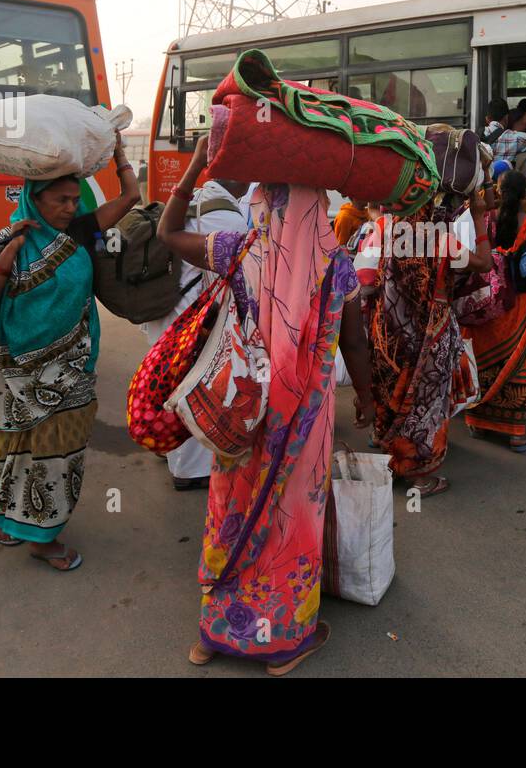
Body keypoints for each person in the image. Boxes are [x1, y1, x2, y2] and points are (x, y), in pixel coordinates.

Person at [158, 136, 375, 675]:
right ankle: (281, 641)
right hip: (305, 417)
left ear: (263, 200)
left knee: (232, 504)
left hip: (243, 407)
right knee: (291, 515)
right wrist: (369, 397)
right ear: (318, 207)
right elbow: (354, 345)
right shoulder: (338, 265)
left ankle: (213, 633)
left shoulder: (239, 247)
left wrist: (191, 173)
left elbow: (165, 233)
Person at [0, 133, 141, 571]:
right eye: (61, 200)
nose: (71, 208)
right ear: (35, 199)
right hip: (11, 370)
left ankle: (39, 533)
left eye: (74, 198)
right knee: (9, 448)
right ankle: (24, 529)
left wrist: (118, 153)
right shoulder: (8, 237)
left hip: (68, 369)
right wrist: (8, 252)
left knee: (53, 456)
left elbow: (132, 196)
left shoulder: (82, 231)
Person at [369, 190, 493, 497]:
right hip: (430, 336)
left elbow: (365, 276)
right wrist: (478, 217)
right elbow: (484, 263)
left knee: (390, 396)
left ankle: (390, 463)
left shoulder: (386, 230)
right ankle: (419, 477)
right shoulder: (440, 240)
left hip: (389, 332)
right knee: (424, 405)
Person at [142, 173, 250, 491]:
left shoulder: (198, 200)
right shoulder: (227, 215)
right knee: (194, 388)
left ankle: (167, 445)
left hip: (166, 311)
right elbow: (238, 274)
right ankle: (188, 472)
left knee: (169, 385)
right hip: (193, 319)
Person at [463, 170, 526, 451]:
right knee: (515, 364)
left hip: (485, 300)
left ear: (498, 190)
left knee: (481, 359)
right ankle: (515, 434)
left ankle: (477, 423)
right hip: (518, 303)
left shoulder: (483, 219)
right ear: (525, 192)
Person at [485, 96, 526, 164]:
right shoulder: (516, 138)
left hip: (483, 174)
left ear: (487, 119)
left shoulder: (476, 136)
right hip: (505, 174)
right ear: (506, 118)